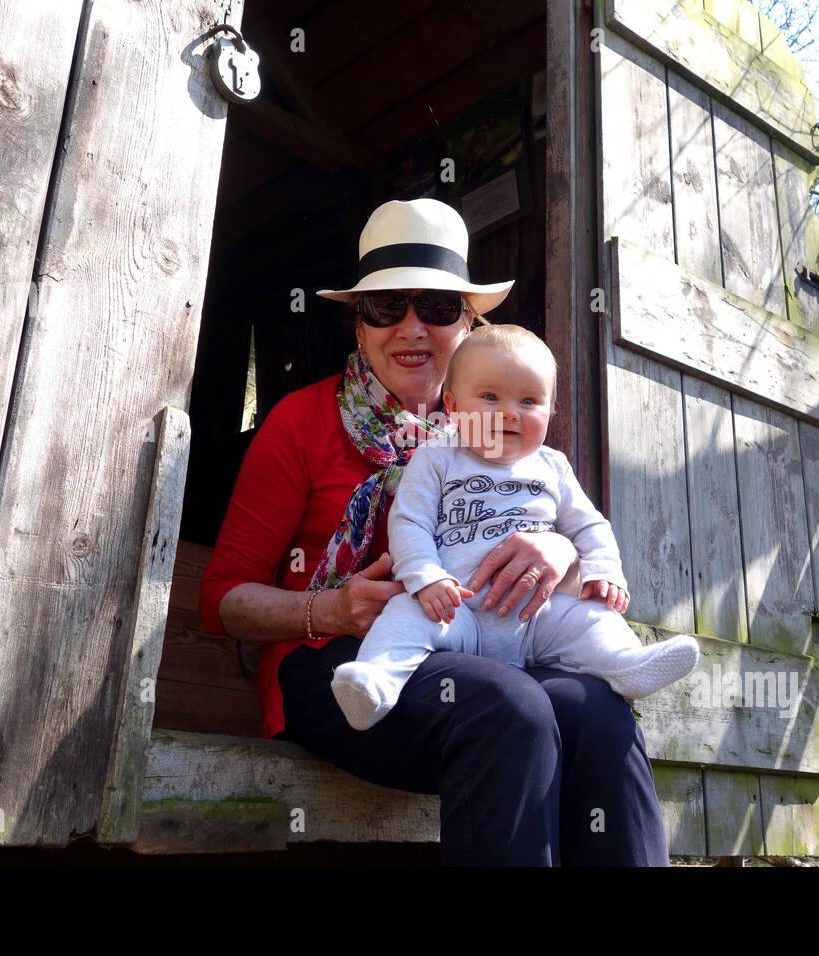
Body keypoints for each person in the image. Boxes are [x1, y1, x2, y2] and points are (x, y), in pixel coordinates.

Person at [199, 198, 671, 865]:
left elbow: (570, 521)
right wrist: (329, 607)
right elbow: (221, 598)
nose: (412, 328)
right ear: (358, 326)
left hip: (492, 643)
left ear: (470, 324)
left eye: (439, 308)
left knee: (597, 709)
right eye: (387, 307)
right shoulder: (301, 422)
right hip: (343, 664)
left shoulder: (504, 433)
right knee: (508, 708)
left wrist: (562, 548)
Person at [330, 324, 699, 730]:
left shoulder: (553, 466)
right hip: (457, 608)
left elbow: (590, 526)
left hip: (537, 615)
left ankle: (627, 664)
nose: (509, 412)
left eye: (529, 400)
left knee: (594, 618)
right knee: (404, 614)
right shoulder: (437, 458)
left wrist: (605, 572)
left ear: (550, 411)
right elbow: (409, 522)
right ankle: (375, 682)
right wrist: (426, 578)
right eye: (490, 397)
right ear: (451, 406)